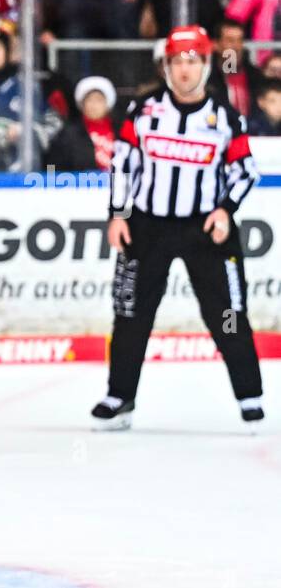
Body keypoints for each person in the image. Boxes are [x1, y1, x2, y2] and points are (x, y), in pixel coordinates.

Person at [93, 24, 263, 430]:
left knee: (227, 314)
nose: (184, 70)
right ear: (165, 67)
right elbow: (123, 165)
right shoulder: (144, 110)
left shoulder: (224, 117)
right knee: (131, 312)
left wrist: (225, 210)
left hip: (206, 227)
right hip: (147, 226)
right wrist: (117, 213)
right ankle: (120, 397)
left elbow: (246, 172)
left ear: (205, 65)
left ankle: (250, 396)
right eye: (176, 62)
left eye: (192, 61)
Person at [0, 30, 62, 172]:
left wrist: (25, 131)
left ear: (8, 52)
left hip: (18, 176)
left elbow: (54, 124)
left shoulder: (26, 87)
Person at [44, 75, 120, 171]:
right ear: (82, 104)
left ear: (107, 105)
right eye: (89, 100)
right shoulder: (68, 134)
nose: (94, 105)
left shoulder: (120, 132)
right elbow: (51, 166)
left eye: (99, 100)